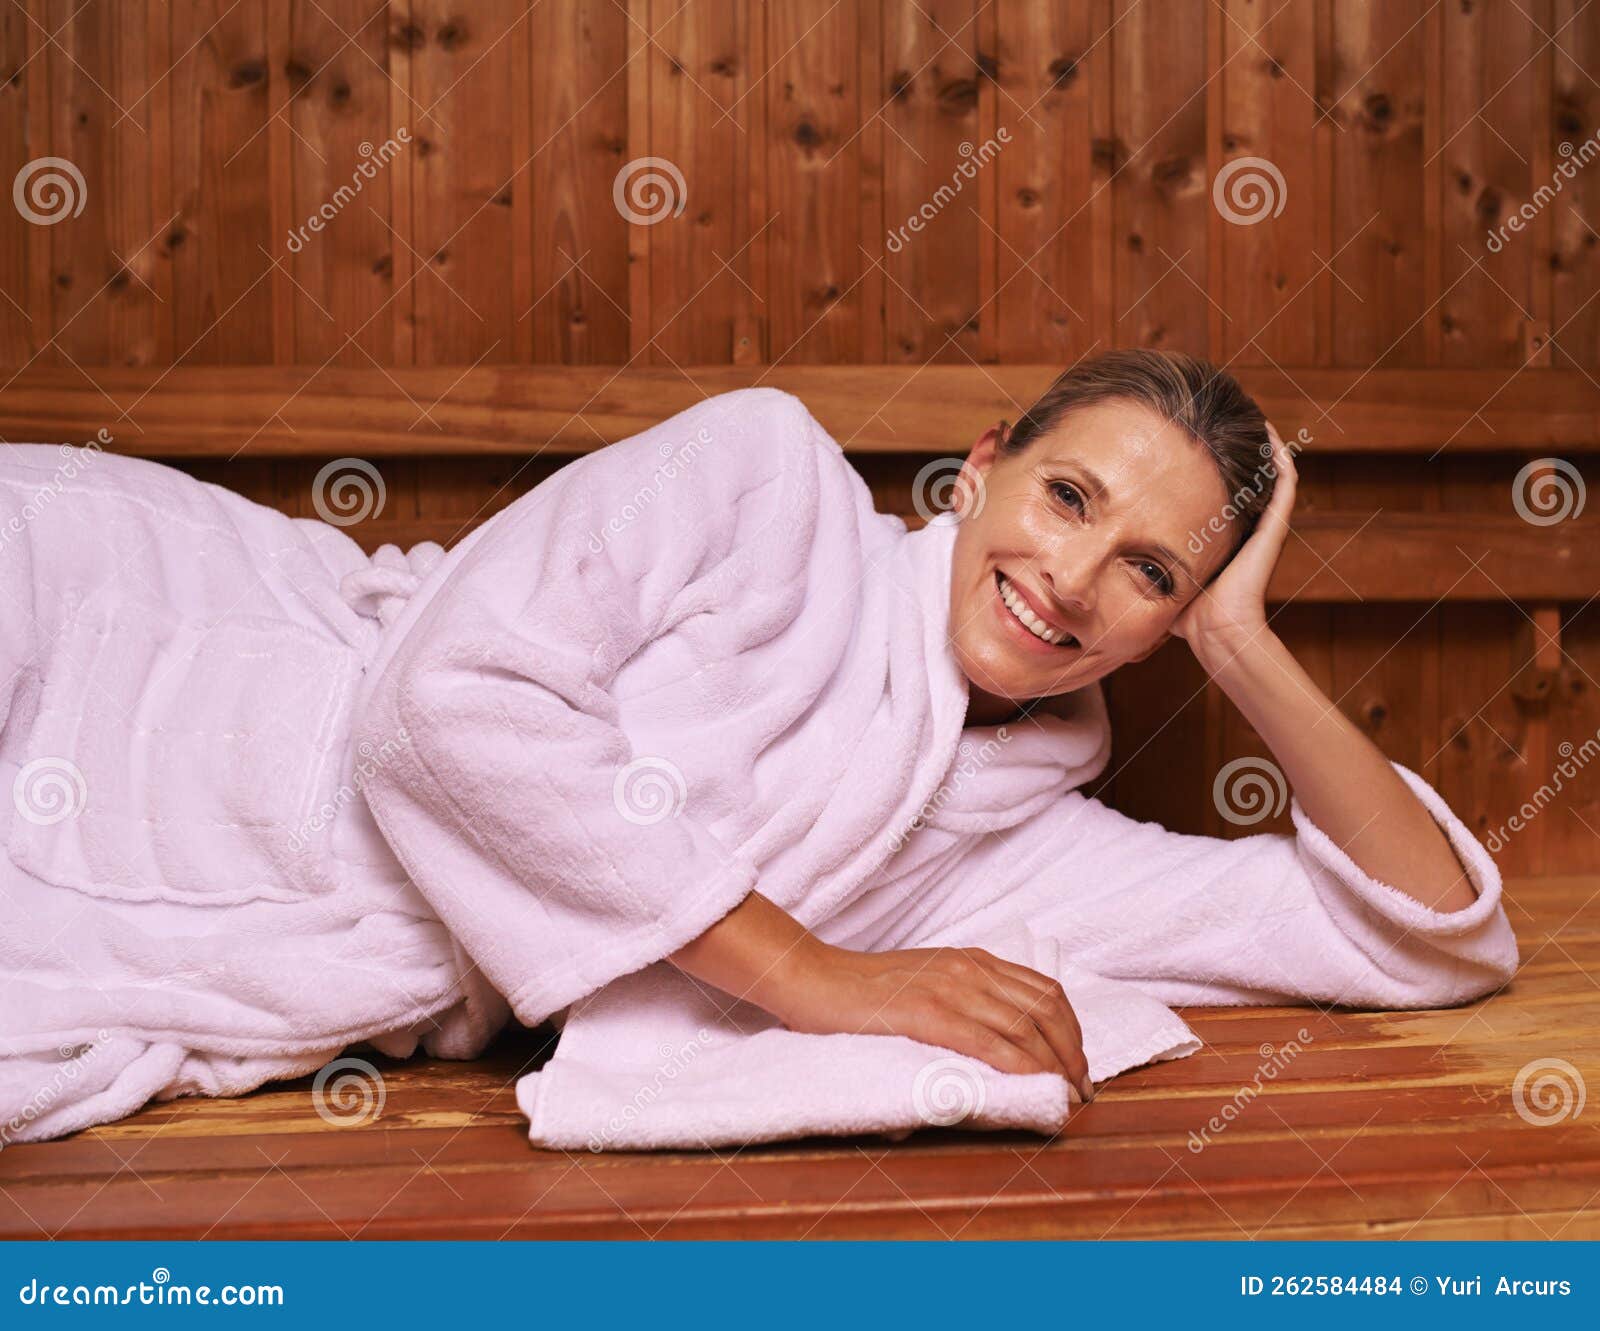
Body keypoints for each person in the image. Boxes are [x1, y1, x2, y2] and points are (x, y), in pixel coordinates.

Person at [0, 350, 1517, 1145]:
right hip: (175, 651)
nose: (1072, 578)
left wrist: (1246, 647)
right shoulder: (762, 474)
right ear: (985, 466)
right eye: (1067, 498)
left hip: (272, 915)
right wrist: (818, 978)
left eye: (1152, 572)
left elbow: (1422, 941)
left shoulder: (1015, 836)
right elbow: (447, 703)